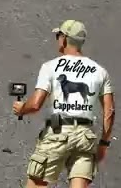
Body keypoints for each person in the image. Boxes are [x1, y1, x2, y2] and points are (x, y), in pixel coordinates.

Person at [13, 20, 114, 188]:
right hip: (85, 136)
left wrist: (21, 109)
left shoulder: (51, 67)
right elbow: (109, 111)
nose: (57, 39)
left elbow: (36, 104)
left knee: (37, 184)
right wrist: (103, 143)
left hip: (57, 133)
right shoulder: (100, 71)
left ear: (64, 39)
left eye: (57, 35)